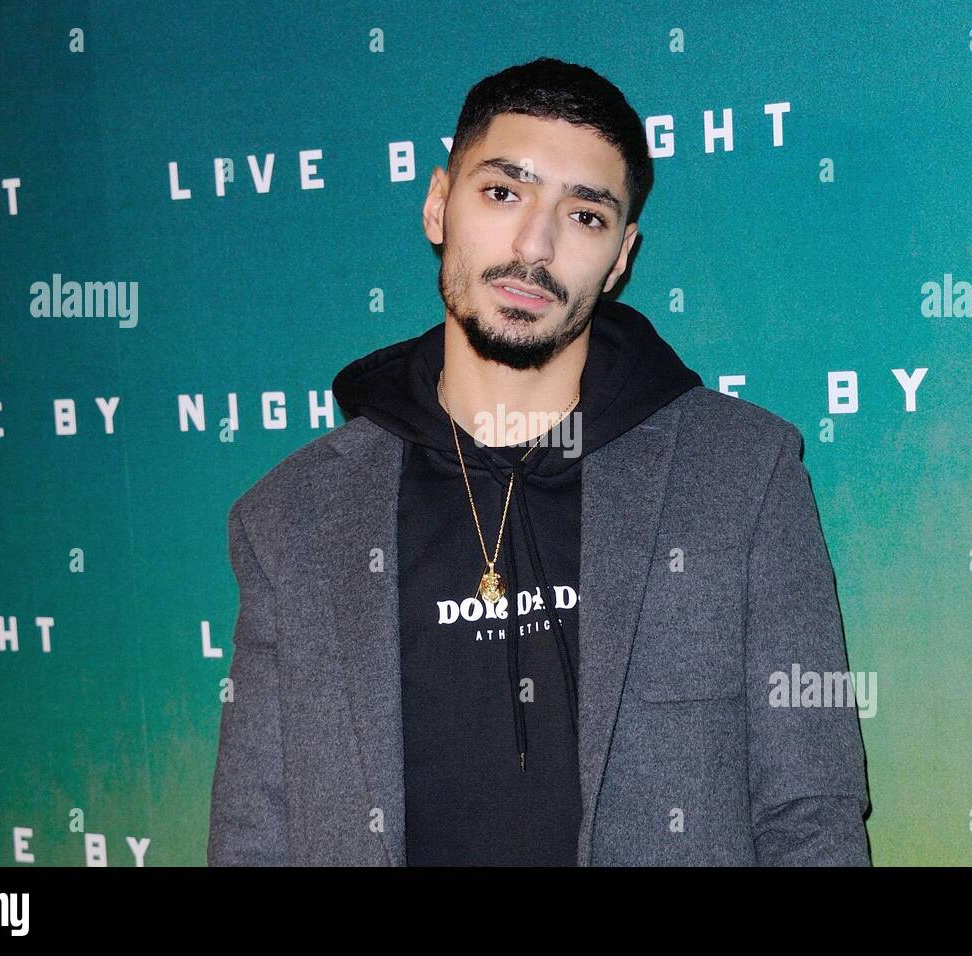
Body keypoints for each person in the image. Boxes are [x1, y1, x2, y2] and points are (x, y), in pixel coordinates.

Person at [207, 56, 871, 866]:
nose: (535, 245)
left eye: (585, 216)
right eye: (503, 193)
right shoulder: (292, 520)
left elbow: (814, 814)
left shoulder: (743, 475)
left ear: (621, 256)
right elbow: (253, 837)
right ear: (438, 203)